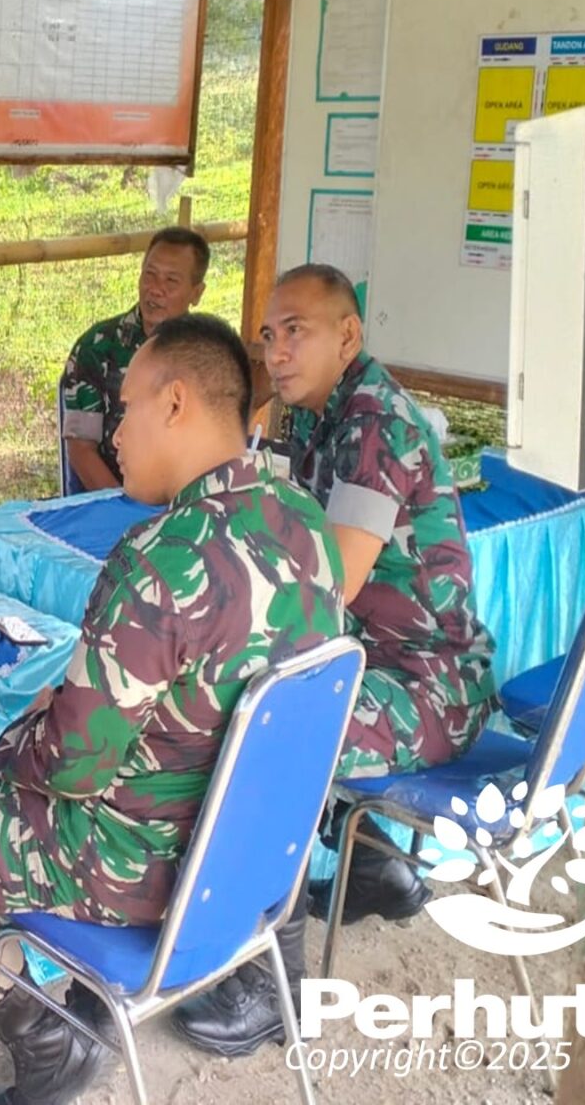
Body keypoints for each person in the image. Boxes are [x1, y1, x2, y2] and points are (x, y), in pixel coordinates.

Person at [0, 314, 344, 1104]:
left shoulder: (163, 559)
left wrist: (26, 732)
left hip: (151, 863)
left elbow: (69, 769)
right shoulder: (302, 519)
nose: (115, 433)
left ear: (176, 404)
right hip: (251, 856)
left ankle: (48, 1039)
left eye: (126, 408)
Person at [172, 264, 499, 1059]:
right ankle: (379, 871)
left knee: (270, 730)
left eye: (298, 331)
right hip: (385, 666)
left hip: (428, 686)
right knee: (283, 689)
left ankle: (273, 983)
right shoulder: (323, 418)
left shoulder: (373, 424)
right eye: (269, 335)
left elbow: (332, 586)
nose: (277, 351)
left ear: (348, 335)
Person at [58, 226, 210, 491]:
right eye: (149, 275)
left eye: (171, 281)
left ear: (196, 293)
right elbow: (81, 450)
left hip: (187, 505)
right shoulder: (96, 347)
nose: (155, 290)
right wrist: (127, 511)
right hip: (112, 502)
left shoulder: (209, 353)